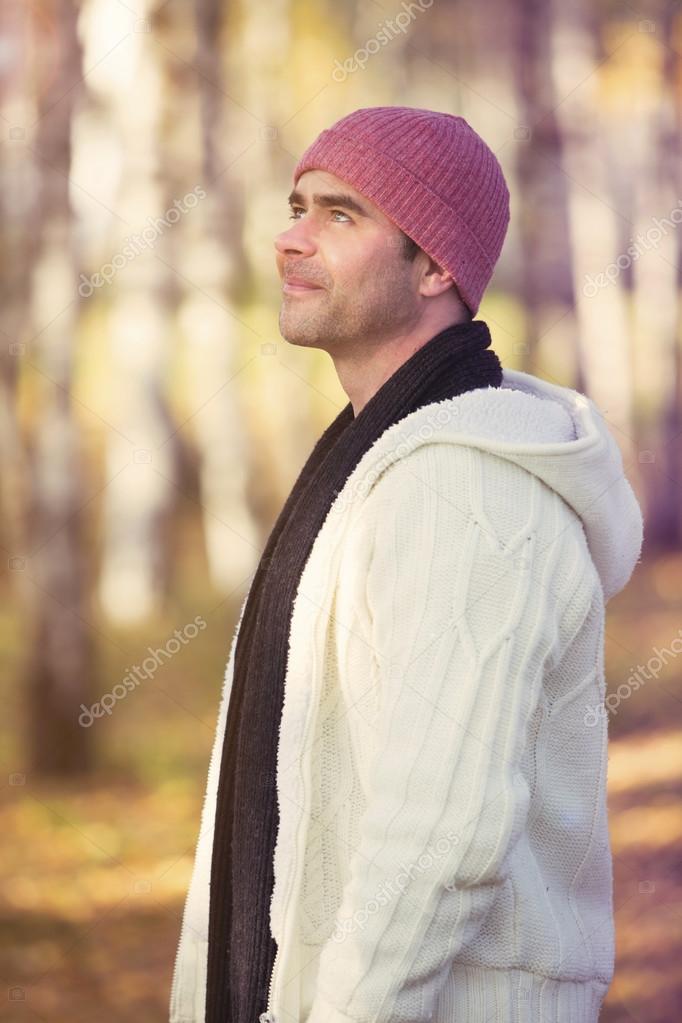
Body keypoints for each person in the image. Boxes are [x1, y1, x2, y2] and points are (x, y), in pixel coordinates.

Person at [169, 106, 643, 1023]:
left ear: (435, 267)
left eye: (340, 216)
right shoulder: (373, 460)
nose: (290, 238)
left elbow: (441, 832)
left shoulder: (468, 488)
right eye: (297, 205)